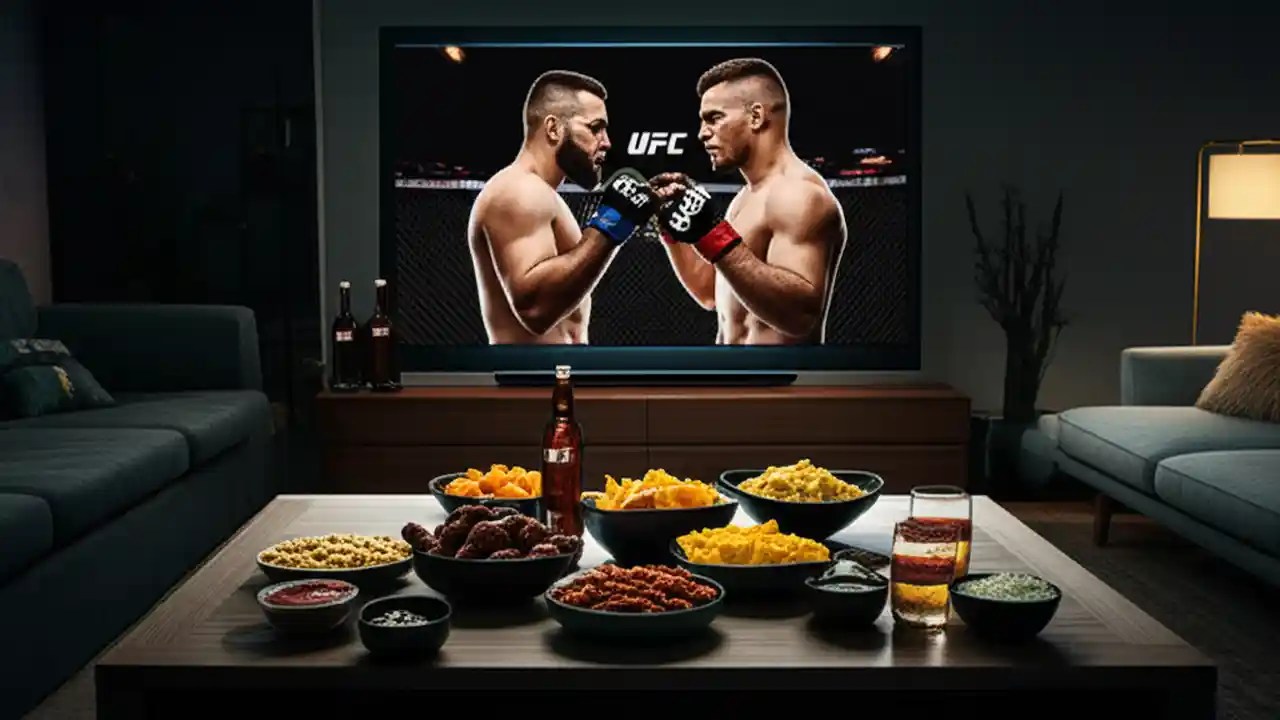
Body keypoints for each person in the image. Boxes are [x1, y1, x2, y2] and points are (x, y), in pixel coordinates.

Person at [651, 58, 847, 345]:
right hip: (735, 381)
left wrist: (713, 236)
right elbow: (709, 292)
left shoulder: (799, 195)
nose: (702, 132)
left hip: (779, 385)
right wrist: (670, 229)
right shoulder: (745, 198)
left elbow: (800, 316)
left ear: (756, 116)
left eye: (714, 118)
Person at [467, 70, 658, 344]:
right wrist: (614, 221)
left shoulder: (545, 196)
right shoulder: (519, 191)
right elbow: (535, 311)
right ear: (554, 128)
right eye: (595, 128)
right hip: (531, 384)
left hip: (553, 380)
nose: (606, 142)